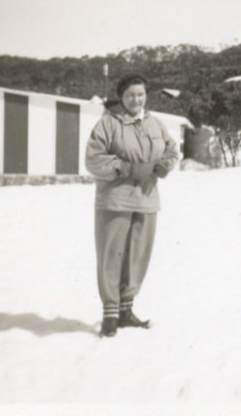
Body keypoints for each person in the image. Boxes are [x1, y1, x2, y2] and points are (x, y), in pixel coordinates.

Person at [85, 73, 179, 338]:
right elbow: (93, 159)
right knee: (111, 255)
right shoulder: (108, 124)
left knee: (138, 256)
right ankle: (111, 314)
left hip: (147, 200)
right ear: (122, 97)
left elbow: (172, 150)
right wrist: (125, 168)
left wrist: (163, 166)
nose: (136, 100)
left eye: (140, 94)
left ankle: (127, 309)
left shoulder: (156, 124)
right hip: (115, 200)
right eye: (130, 95)